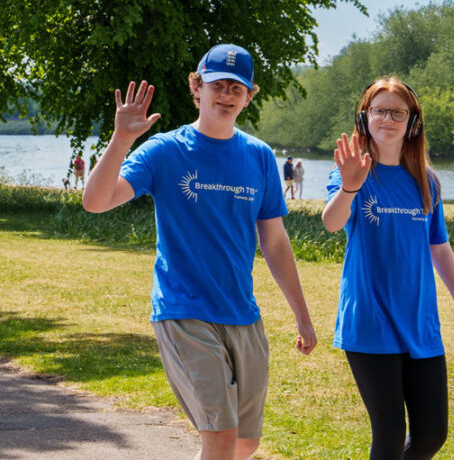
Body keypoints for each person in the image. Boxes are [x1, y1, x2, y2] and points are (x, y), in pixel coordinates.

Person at [82, 43, 317, 460]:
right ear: (197, 87)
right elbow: (97, 201)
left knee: (246, 442)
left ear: (248, 95)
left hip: (242, 313)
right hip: (184, 311)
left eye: (236, 87)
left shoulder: (259, 157)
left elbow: (275, 243)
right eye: (216, 85)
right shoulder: (166, 151)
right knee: (221, 436)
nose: (225, 95)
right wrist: (121, 139)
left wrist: (302, 315)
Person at [322, 76, 454, 459]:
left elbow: (439, 249)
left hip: (420, 324)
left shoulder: (428, 182)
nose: (388, 120)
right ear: (364, 118)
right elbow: (332, 222)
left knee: (431, 435)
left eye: (398, 112)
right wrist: (349, 187)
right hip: (370, 323)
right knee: (390, 434)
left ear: (413, 123)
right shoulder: (351, 175)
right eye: (379, 111)